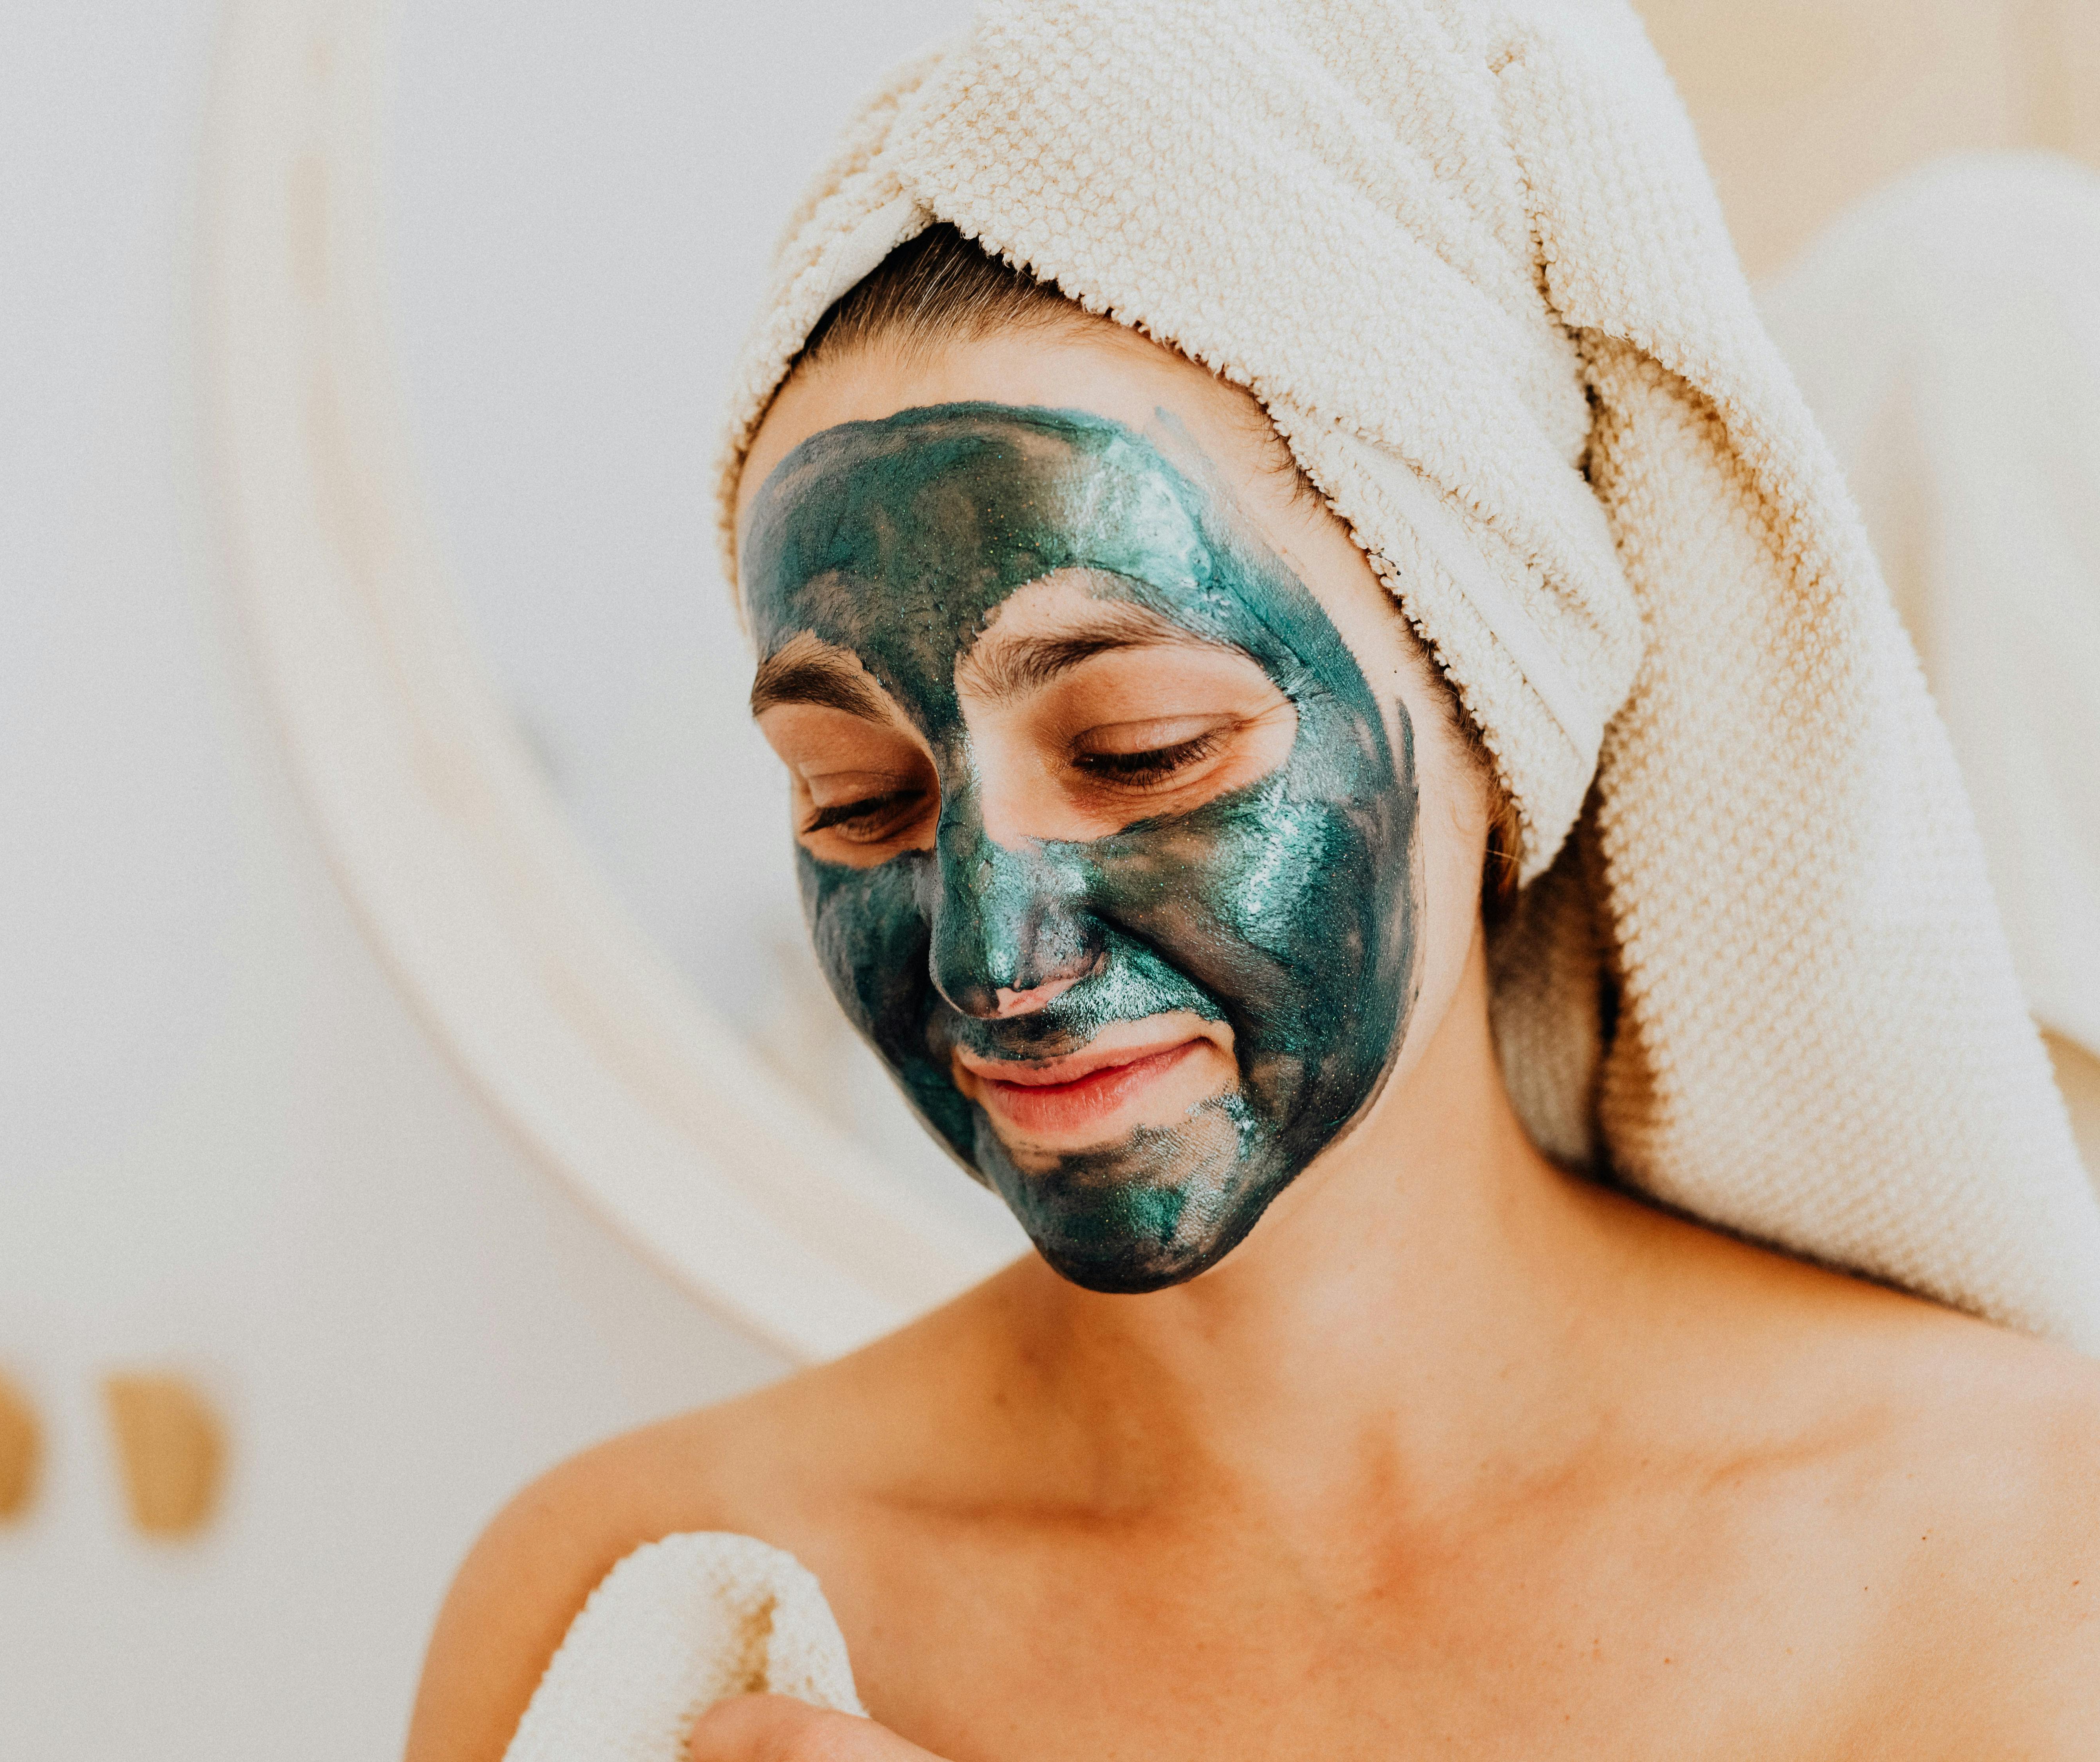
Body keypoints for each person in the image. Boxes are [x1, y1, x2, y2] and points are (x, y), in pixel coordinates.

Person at [408, 4, 2100, 1756]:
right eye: (862, 798)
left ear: (1483, 692)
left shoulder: (2023, 1558)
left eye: (1143, 750)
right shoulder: (633, 1609)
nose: (995, 953)